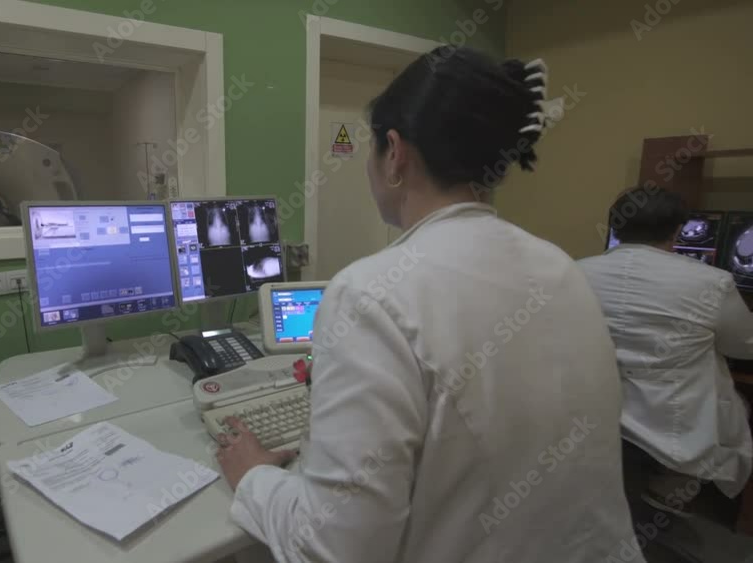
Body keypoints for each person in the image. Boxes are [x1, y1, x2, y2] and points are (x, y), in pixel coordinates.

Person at [215, 46, 639, 563]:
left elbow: (334, 548)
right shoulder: (562, 268)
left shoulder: (370, 294)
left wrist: (253, 477)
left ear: (394, 153)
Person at [579, 187, 753, 512]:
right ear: (677, 230)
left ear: (616, 228)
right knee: (736, 402)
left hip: (592, 414)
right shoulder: (712, 283)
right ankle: (669, 491)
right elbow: (745, 347)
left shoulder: (577, 271)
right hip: (669, 427)